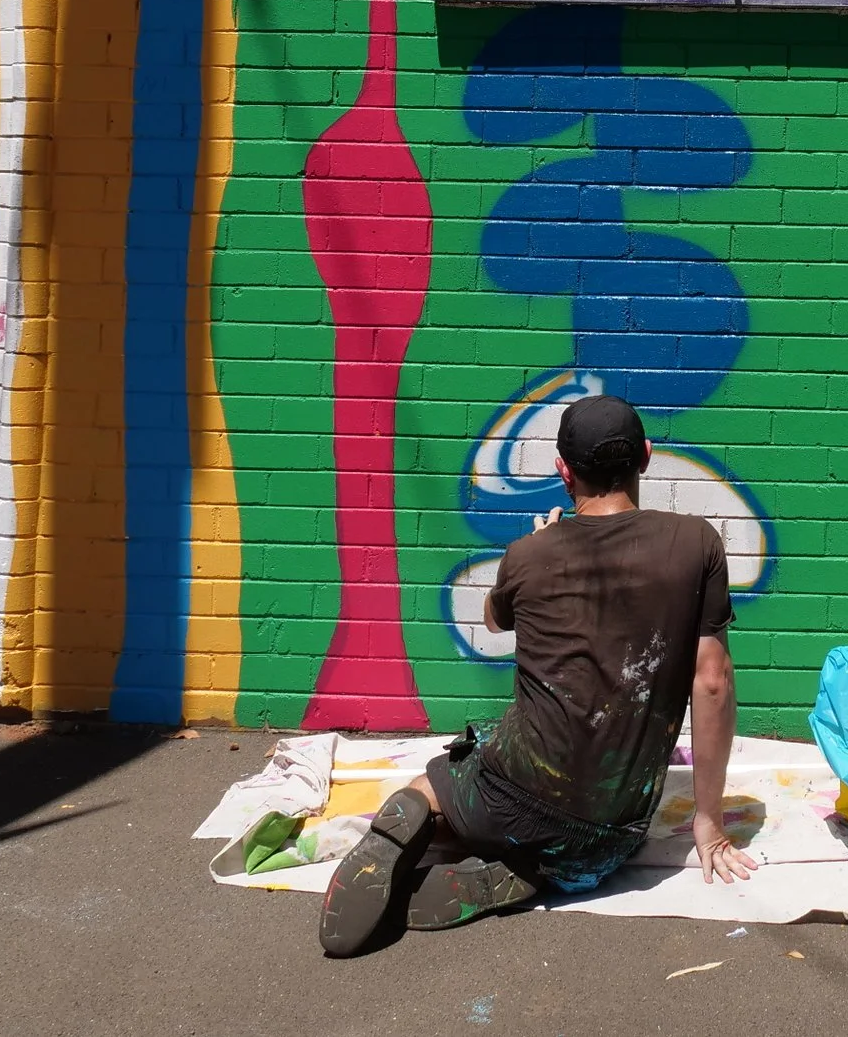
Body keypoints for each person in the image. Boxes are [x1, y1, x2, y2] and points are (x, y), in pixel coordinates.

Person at [319, 394, 757, 956]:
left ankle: (429, 813)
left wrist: (541, 544)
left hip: (508, 787)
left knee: (439, 788)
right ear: (645, 457)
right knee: (582, 861)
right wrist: (708, 822)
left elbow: (494, 619)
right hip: (605, 830)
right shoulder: (698, 544)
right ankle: (538, 870)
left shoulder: (529, 553)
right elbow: (713, 680)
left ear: (563, 472)